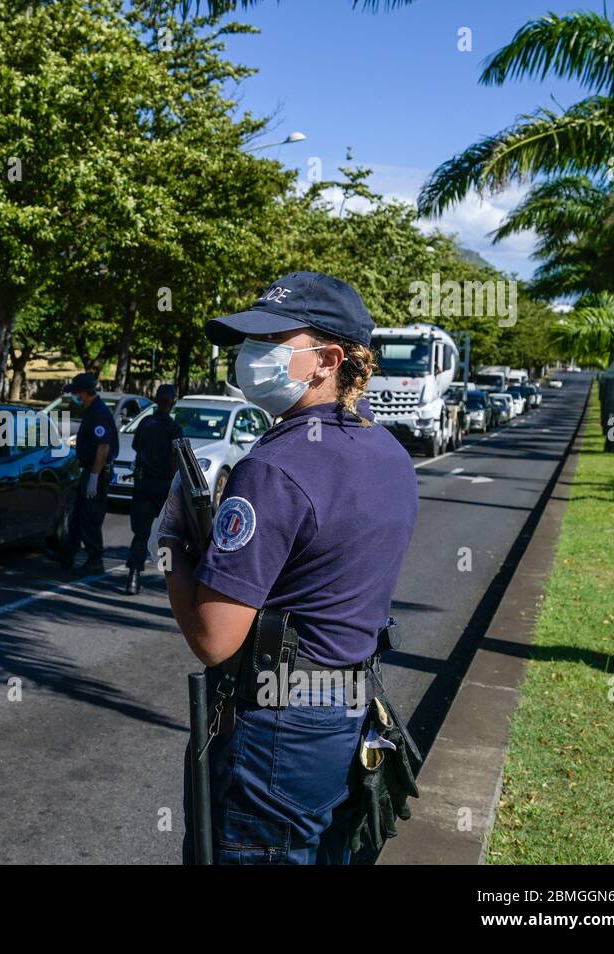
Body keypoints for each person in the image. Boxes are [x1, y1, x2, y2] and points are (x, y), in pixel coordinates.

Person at [158, 270, 418, 865]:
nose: (250, 357)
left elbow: (216, 640)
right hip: (348, 712)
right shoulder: (389, 453)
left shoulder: (272, 468)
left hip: (276, 730)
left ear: (327, 359)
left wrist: (173, 544)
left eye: (270, 342)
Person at [123, 383, 182, 595]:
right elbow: (176, 461)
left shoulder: (146, 423)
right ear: (172, 402)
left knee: (141, 533)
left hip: (143, 484)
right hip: (164, 487)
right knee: (167, 535)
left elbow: (137, 448)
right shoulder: (174, 429)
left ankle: (133, 577)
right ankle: (168, 579)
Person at [57, 372, 118, 575]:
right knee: (77, 515)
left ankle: (95, 559)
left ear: (84, 392)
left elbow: (103, 447)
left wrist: (94, 477)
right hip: (91, 471)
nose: (75, 398)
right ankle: (67, 554)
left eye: (76, 394)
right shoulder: (92, 411)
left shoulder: (98, 413)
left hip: (96, 473)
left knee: (89, 517)